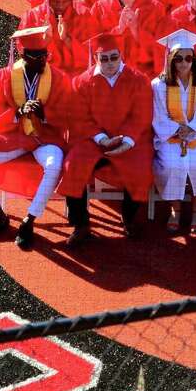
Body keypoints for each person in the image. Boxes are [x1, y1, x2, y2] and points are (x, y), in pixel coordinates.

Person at [0, 27, 71, 249]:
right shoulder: (4, 76)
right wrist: (18, 112)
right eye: (37, 57)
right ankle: (0, 216)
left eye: (46, 55)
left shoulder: (58, 77)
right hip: (15, 135)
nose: (43, 61)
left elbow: (68, 115)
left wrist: (45, 114)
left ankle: (29, 221)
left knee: (54, 165)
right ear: (24, 55)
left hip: (46, 136)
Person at [58, 33, 154, 245]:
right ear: (95, 58)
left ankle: (128, 217)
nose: (110, 63)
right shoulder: (81, 82)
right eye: (104, 58)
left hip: (129, 140)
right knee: (73, 165)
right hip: (94, 140)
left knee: (141, 168)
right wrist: (102, 139)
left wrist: (126, 141)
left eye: (114, 57)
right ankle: (80, 224)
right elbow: (80, 118)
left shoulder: (139, 80)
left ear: (121, 55)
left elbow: (141, 116)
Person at [150, 29, 196, 234]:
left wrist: (192, 127)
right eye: (178, 58)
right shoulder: (159, 84)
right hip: (170, 137)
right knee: (172, 164)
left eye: (188, 58)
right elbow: (157, 114)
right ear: (171, 59)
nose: (183, 63)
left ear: (194, 59)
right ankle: (176, 209)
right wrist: (176, 129)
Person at [21, 0, 95, 75]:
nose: (60, 6)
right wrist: (44, 42)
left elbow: (90, 57)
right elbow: (24, 54)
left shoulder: (84, 15)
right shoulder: (32, 17)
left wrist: (67, 39)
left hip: (73, 79)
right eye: (55, 1)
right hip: (43, 76)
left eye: (64, 1)